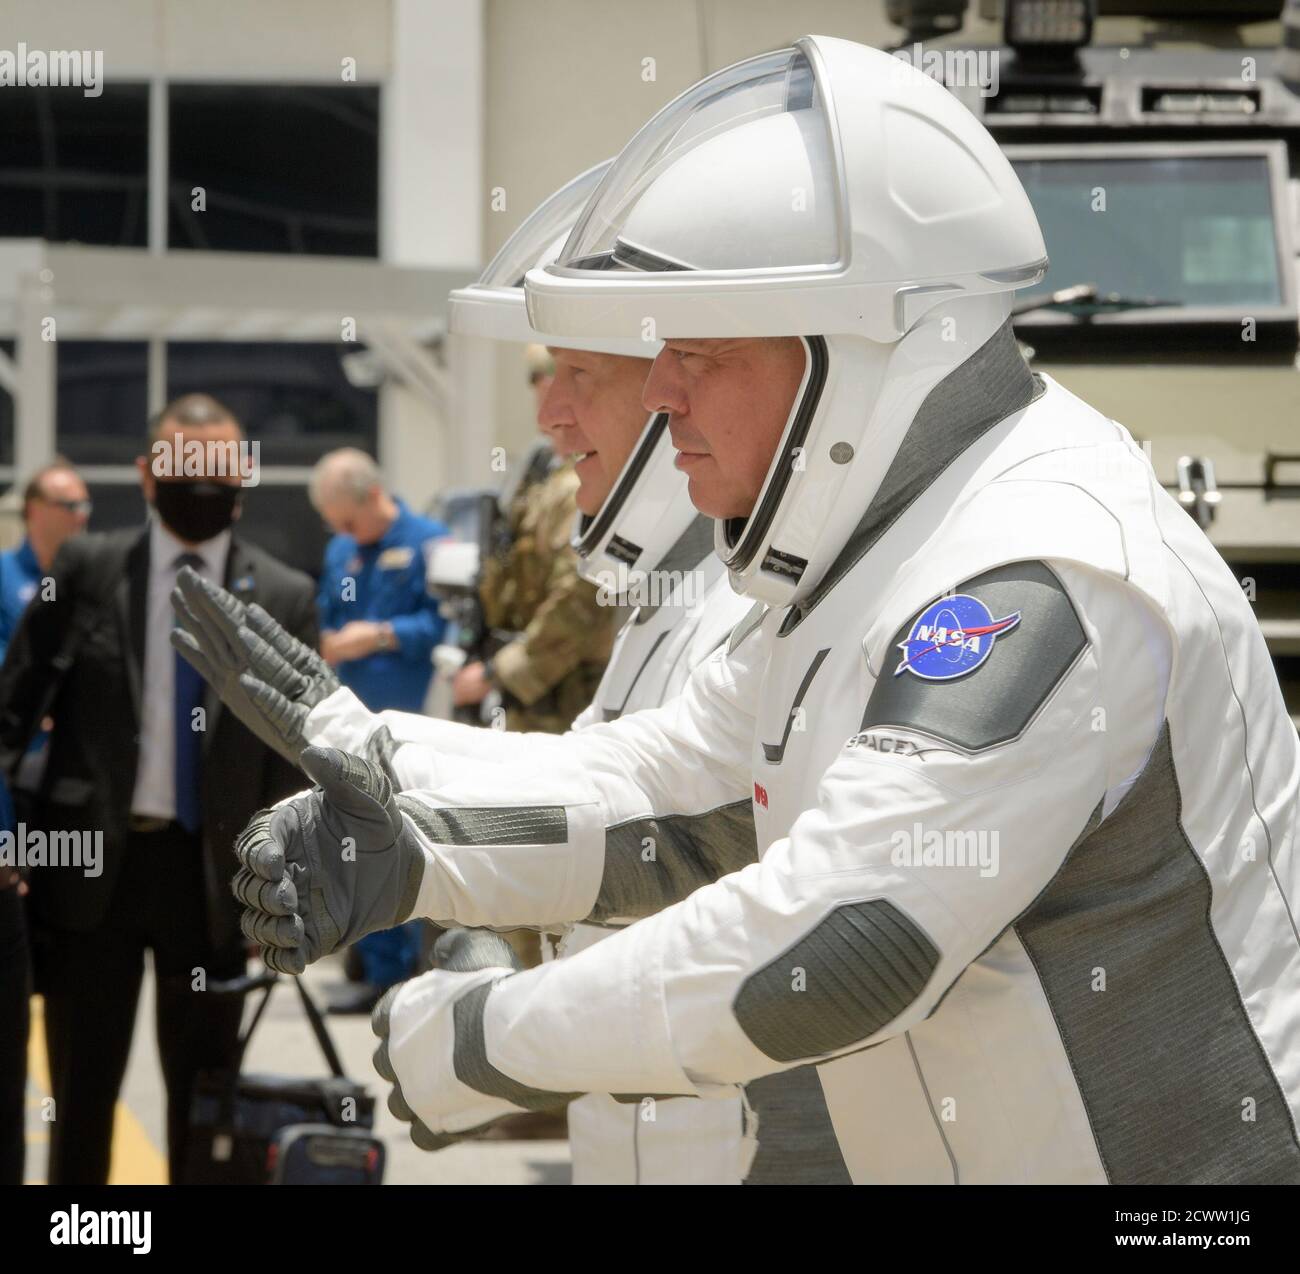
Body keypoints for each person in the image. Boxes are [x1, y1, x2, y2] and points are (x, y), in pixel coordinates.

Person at [214, 36, 1300, 1183]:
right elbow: (674, 796)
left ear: (861, 348)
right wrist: (402, 830)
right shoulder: (875, 556)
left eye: (702, 348)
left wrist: (479, 1042)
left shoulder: (1039, 567)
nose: (661, 390)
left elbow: (839, 939)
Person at [0, 393, 317, 1185]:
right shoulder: (84, 569)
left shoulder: (283, 594)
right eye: (187, 470)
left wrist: (283, 886)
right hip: (89, 876)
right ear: (147, 475)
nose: (204, 487)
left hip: (214, 882)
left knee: (205, 1102)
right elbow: (13, 714)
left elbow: (297, 757)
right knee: (80, 1094)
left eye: (221, 471)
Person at [310, 448, 448, 1011]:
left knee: (396, 841)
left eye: (346, 518)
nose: (342, 532)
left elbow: (445, 623)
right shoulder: (342, 548)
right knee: (353, 842)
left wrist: (380, 634)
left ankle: (400, 976)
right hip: (349, 721)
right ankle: (371, 964)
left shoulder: (430, 542)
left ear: (372, 496)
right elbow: (324, 617)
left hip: (411, 724)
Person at [0, 458, 90, 1184]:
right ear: (33, 508)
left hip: (55, 811)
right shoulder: (7, 580)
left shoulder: (91, 581)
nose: (80, 513)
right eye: (66, 501)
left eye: (86, 501)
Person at [450, 345, 617, 734]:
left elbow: (581, 597)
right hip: (534, 688)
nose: (546, 410)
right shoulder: (544, 475)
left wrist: (501, 671)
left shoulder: (580, 485)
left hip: (561, 695)